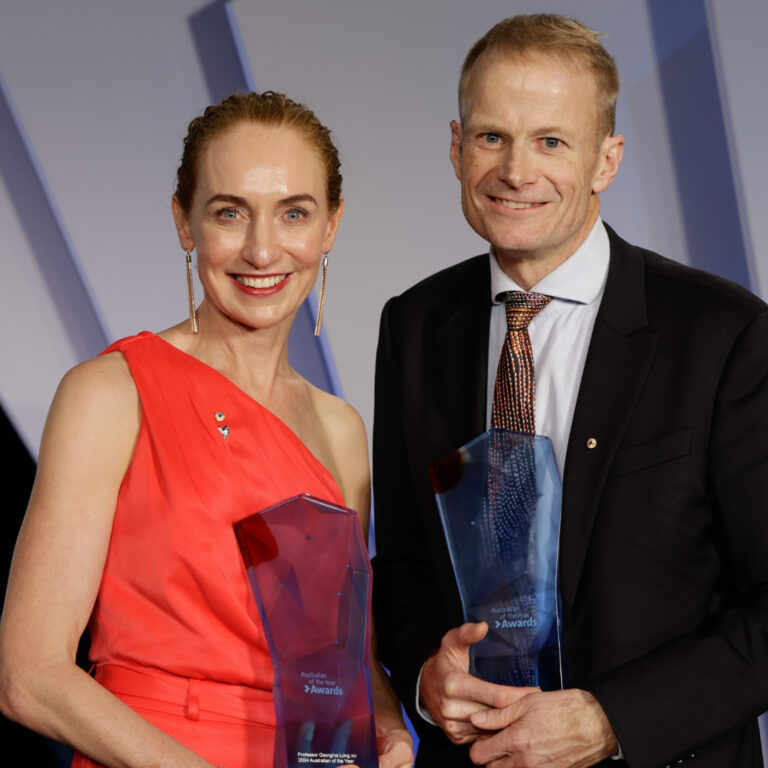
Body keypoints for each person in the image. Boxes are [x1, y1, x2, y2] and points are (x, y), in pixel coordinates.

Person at [372, 13, 768, 768]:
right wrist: (427, 676)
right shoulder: (416, 325)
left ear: (606, 160)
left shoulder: (724, 334)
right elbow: (403, 569)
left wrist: (610, 720)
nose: (517, 171)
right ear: (457, 149)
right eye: (492, 137)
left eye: (551, 141)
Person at [0, 91, 413, 768]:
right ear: (183, 224)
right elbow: (30, 675)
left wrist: (388, 729)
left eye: (294, 214)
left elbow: (344, 666)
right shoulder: (110, 394)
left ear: (331, 227)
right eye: (229, 213)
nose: (260, 248)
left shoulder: (341, 429)